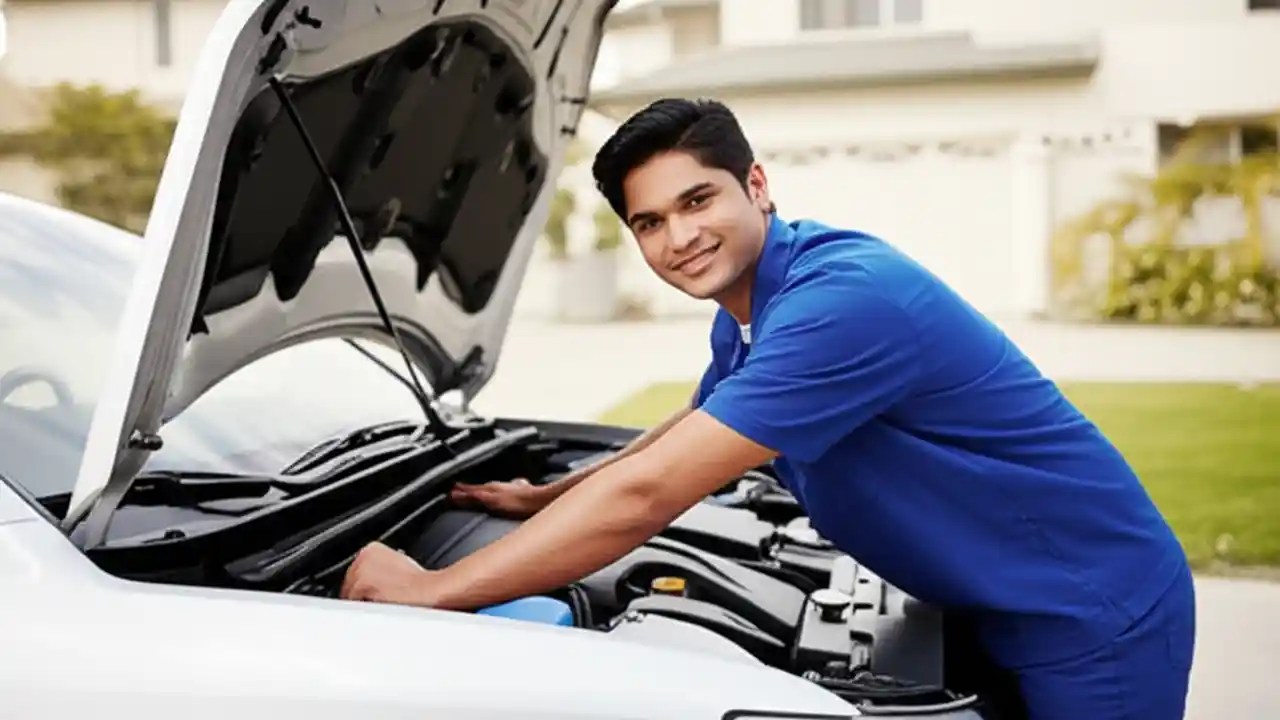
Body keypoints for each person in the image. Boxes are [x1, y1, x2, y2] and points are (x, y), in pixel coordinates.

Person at [340, 98, 1196, 719]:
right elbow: (692, 424)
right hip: (1004, 599)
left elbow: (652, 497)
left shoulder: (841, 306)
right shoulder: (757, 305)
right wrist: (541, 497)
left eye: (697, 201)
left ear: (756, 184)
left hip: (1092, 615)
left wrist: (435, 593)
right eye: (649, 223)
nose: (678, 239)